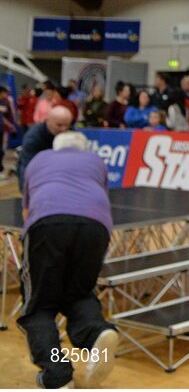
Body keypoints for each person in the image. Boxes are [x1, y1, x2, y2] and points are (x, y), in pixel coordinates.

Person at [18, 131, 119, 388]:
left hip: (48, 222)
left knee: (40, 306)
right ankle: (97, 333)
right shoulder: (95, 161)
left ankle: (57, 375)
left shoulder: (38, 159)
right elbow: (102, 195)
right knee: (79, 294)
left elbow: (27, 211)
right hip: (96, 226)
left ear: (55, 147)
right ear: (83, 149)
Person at [16, 107, 73, 192]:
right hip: (35, 176)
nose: (64, 129)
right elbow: (28, 168)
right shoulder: (33, 138)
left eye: (67, 125)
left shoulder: (71, 133)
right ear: (48, 121)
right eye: (59, 125)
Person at [0, 85, 17, 179]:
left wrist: (11, 124)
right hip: (4, 125)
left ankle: (1, 168)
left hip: (2, 126)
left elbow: (6, 111)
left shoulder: (5, 101)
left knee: (2, 147)